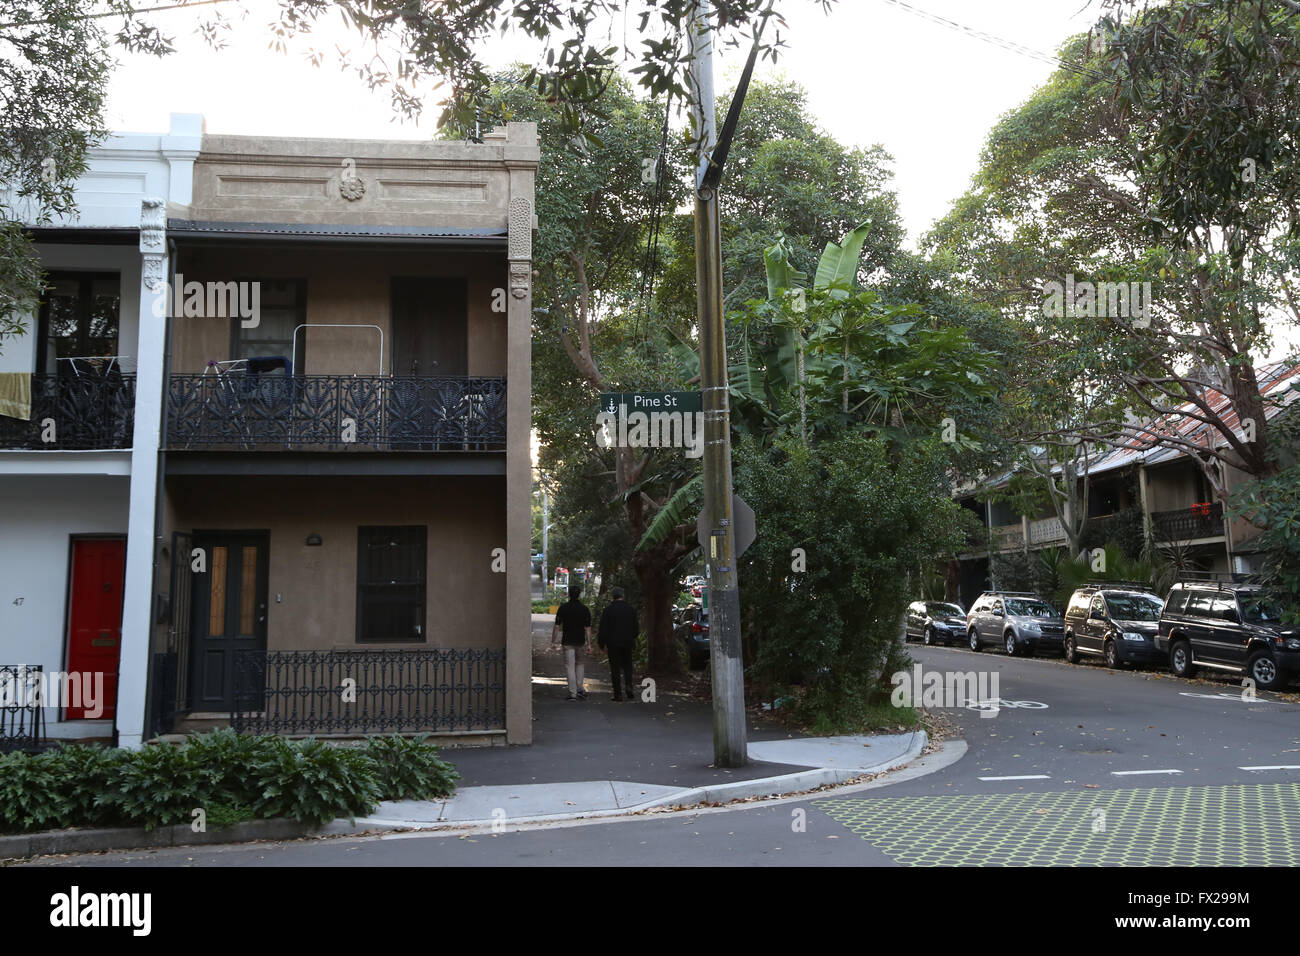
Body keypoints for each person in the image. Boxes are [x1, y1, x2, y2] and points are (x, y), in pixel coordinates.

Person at [597, 586, 639, 702]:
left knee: (615, 668)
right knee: (627, 666)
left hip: (613, 643)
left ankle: (618, 694)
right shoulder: (631, 610)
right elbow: (636, 629)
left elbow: (603, 629)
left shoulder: (608, 610)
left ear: (613, 596)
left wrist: (602, 644)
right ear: (623, 596)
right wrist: (632, 637)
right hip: (627, 642)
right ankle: (629, 685)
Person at [552, 585, 592, 701]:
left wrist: (553, 641)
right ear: (579, 594)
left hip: (567, 641)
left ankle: (572, 693)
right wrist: (589, 644)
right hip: (580, 641)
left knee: (570, 666)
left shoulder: (563, 608)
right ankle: (580, 689)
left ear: (569, 594)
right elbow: (588, 628)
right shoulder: (584, 609)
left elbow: (557, 626)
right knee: (580, 664)